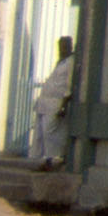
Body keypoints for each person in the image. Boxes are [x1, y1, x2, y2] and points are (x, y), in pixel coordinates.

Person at [29, 35, 74, 169]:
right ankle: (44, 160)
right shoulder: (60, 62)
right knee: (41, 133)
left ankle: (53, 160)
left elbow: (69, 85)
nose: (61, 50)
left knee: (51, 132)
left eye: (64, 47)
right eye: (60, 47)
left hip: (57, 102)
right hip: (45, 103)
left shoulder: (70, 62)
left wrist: (63, 105)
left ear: (70, 47)